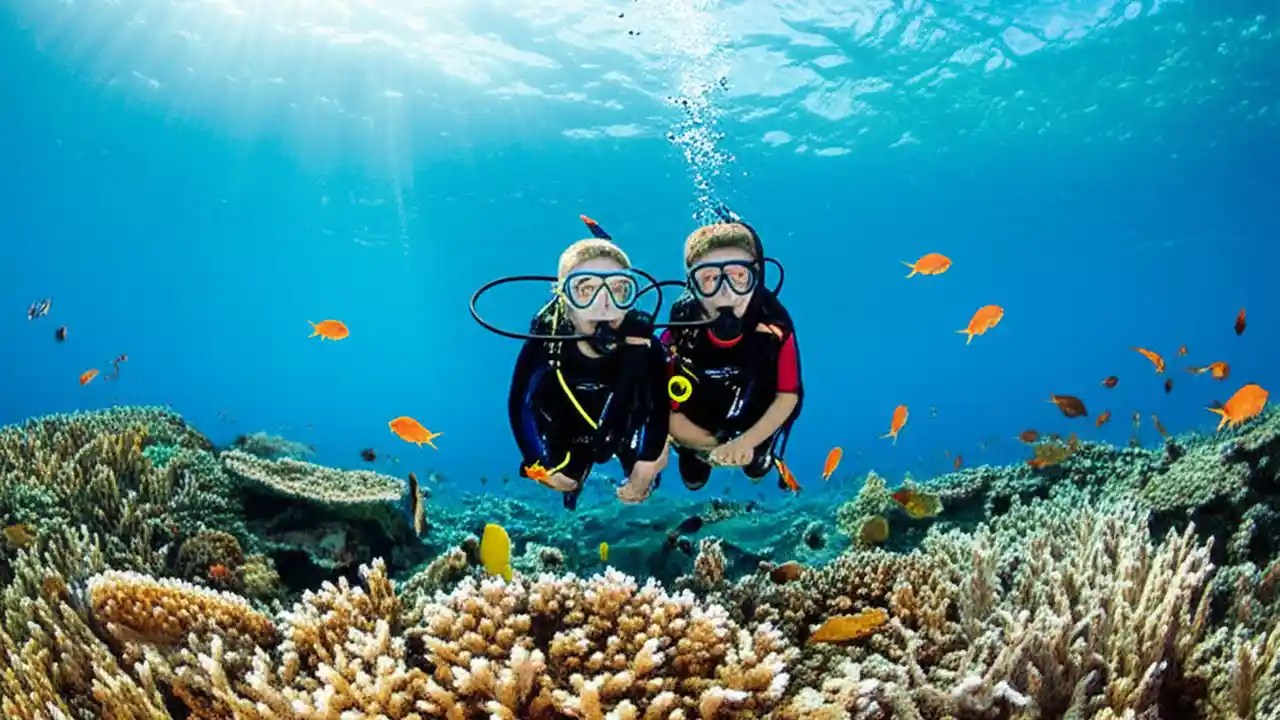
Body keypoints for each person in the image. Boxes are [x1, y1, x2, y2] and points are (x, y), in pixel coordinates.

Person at [505, 236, 670, 510]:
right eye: (586, 289)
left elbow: (659, 406)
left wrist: (649, 461)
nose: (603, 304)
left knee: (647, 483)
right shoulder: (546, 340)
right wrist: (538, 462)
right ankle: (574, 485)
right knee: (567, 480)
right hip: (565, 429)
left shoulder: (643, 345)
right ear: (564, 299)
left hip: (623, 426)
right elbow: (519, 403)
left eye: (617, 289)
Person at [659, 220, 802, 492]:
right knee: (693, 478)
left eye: (738, 276)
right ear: (692, 285)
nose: (725, 292)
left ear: (756, 278)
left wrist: (746, 442)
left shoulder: (775, 327)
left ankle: (755, 452)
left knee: (757, 468)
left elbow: (788, 395)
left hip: (755, 414)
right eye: (709, 279)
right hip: (699, 418)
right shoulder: (679, 330)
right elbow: (661, 405)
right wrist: (707, 445)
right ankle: (695, 456)